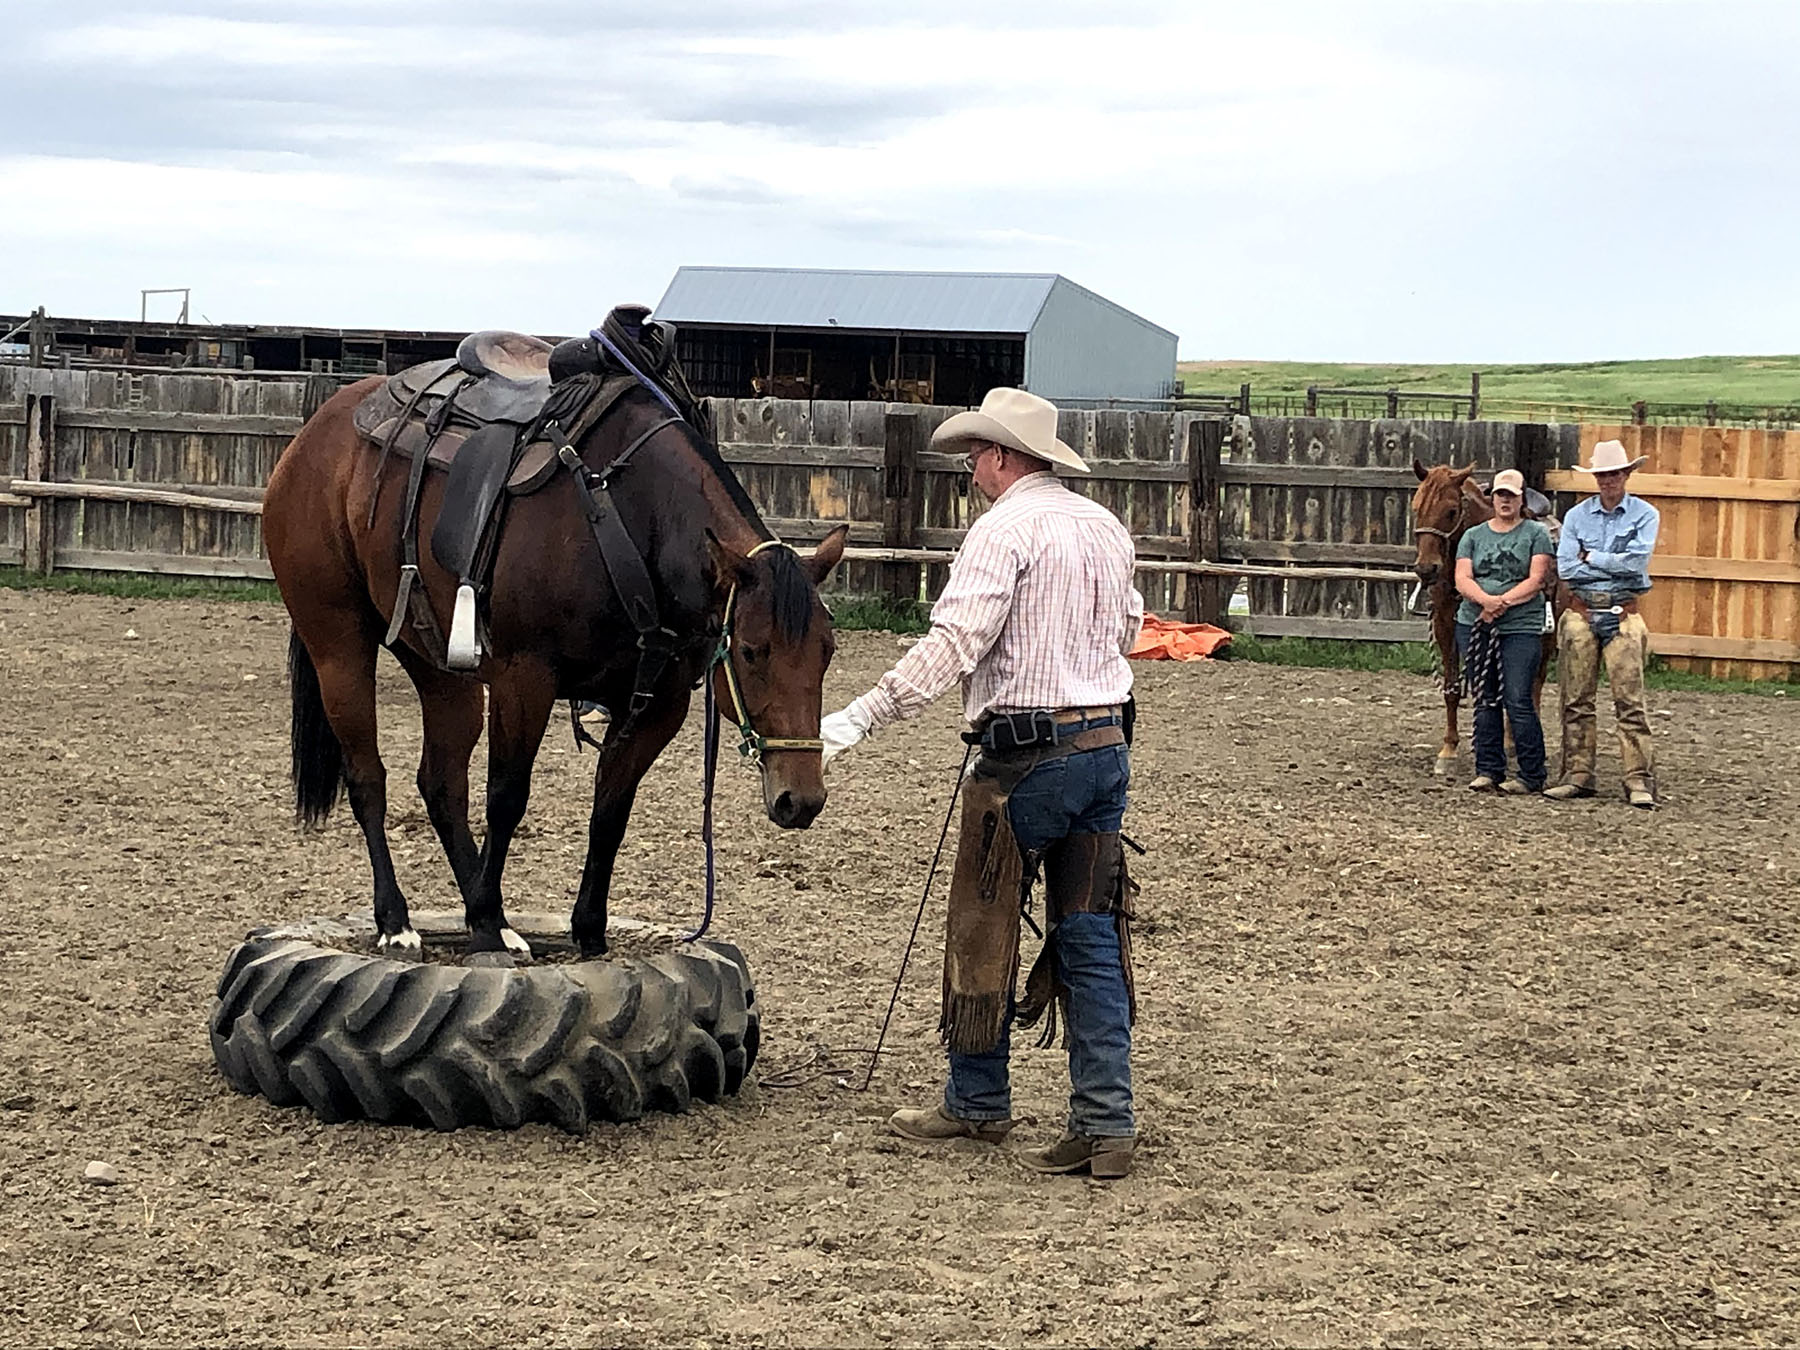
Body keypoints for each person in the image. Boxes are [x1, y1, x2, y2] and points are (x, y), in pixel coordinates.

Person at [819, 387, 1144, 1180]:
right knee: (1091, 934)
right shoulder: (1104, 526)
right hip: (1104, 743)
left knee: (982, 923)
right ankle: (1106, 1121)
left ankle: (977, 1099)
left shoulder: (1002, 531)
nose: (971, 471)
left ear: (1001, 456)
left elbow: (956, 642)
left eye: (975, 457)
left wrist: (857, 718)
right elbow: (1130, 626)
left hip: (1024, 757)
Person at [1546, 439, 1661, 809]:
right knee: (1575, 697)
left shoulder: (1645, 514)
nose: (1607, 480)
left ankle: (1638, 777)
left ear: (1626, 475)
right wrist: (1614, 562)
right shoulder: (1577, 516)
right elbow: (1567, 567)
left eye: (1613, 474)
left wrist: (1592, 557)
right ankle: (1577, 773)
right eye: (1602, 475)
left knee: (1630, 700)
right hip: (1581, 611)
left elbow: (1637, 564)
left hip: (1623, 612)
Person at [1453, 468, 1555, 795]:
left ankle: (1531, 772)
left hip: (1520, 625)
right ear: (1493, 498)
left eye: (1511, 495)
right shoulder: (1473, 537)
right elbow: (1462, 577)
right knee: (1484, 697)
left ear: (1522, 498)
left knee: (1518, 697)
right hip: (1475, 622)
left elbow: (1536, 578)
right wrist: (1485, 601)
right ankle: (1488, 768)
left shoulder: (1536, 534)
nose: (1505, 500)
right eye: (1500, 495)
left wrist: (1501, 603)